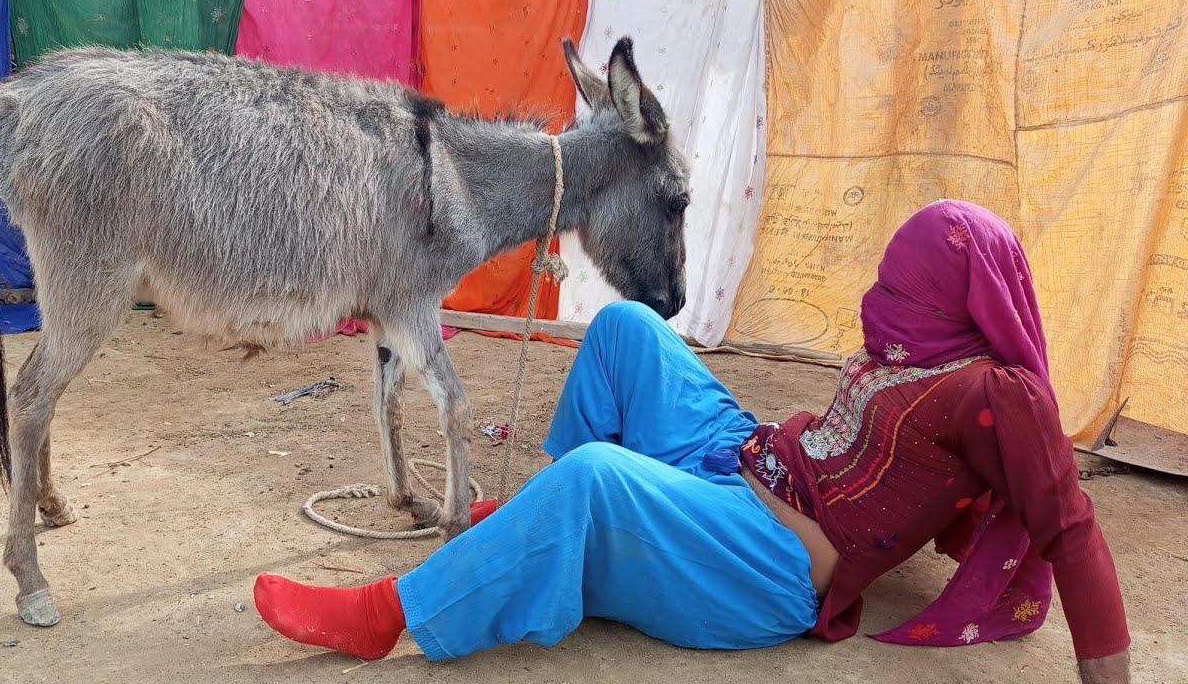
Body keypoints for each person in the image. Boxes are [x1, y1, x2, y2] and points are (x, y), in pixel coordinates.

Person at [252, 201, 1130, 684]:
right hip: (745, 459)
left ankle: (390, 616)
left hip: (765, 562)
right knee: (627, 326)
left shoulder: (994, 396)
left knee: (599, 478)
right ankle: (532, 527)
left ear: (958, 298)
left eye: (905, 287)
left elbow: (1074, 533)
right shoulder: (921, 346)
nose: (880, 301)